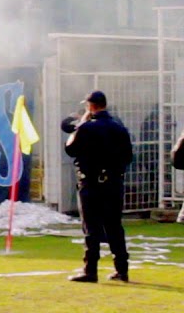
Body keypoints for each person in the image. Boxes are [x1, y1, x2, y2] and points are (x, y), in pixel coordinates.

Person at [64, 90, 133, 283]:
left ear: (91, 106)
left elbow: (70, 148)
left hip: (91, 183)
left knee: (91, 227)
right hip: (113, 182)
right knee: (114, 227)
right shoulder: (119, 128)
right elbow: (128, 157)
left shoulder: (87, 128)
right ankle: (122, 269)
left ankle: (90, 270)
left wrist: (81, 124)